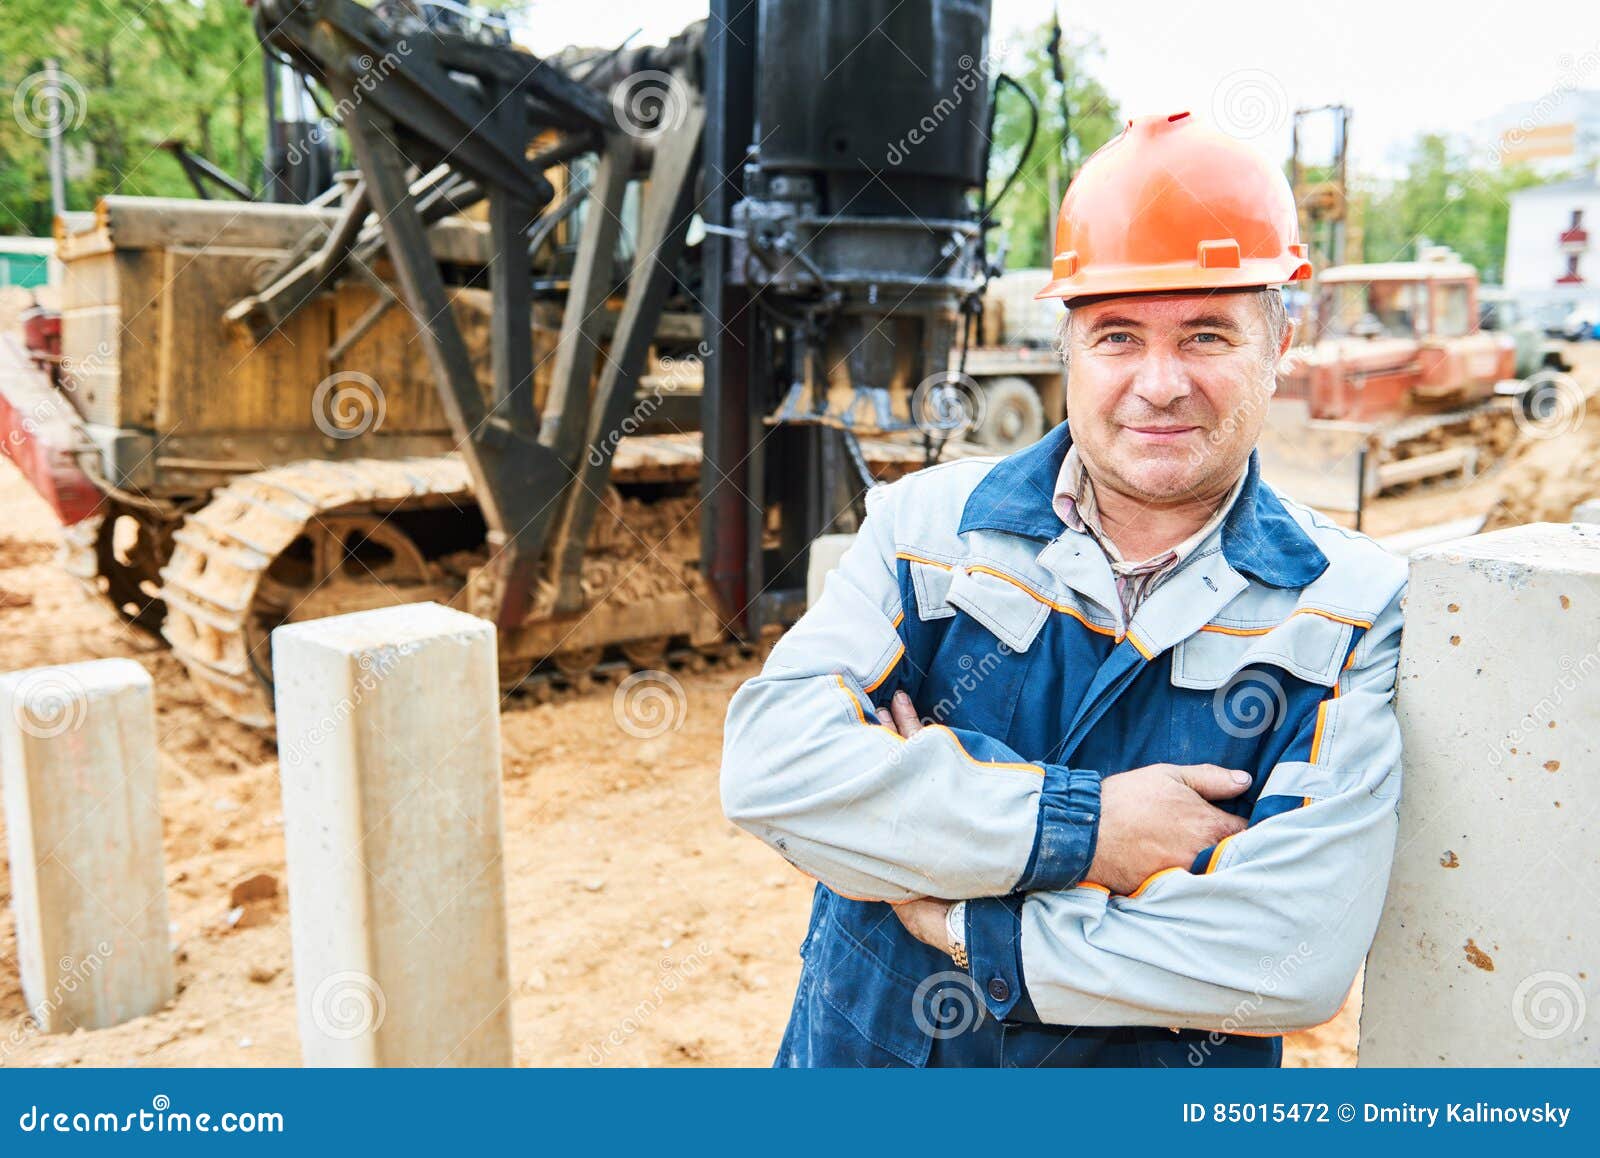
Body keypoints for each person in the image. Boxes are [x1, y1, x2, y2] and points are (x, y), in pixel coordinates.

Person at [720, 111, 1407, 1068]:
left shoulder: (1347, 608)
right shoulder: (930, 530)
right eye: (1118, 335)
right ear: (1068, 351)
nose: (1160, 384)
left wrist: (957, 911)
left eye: (1207, 334)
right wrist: (1090, 833)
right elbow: (774, 772)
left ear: (1279, 346)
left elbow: (1285, 959)